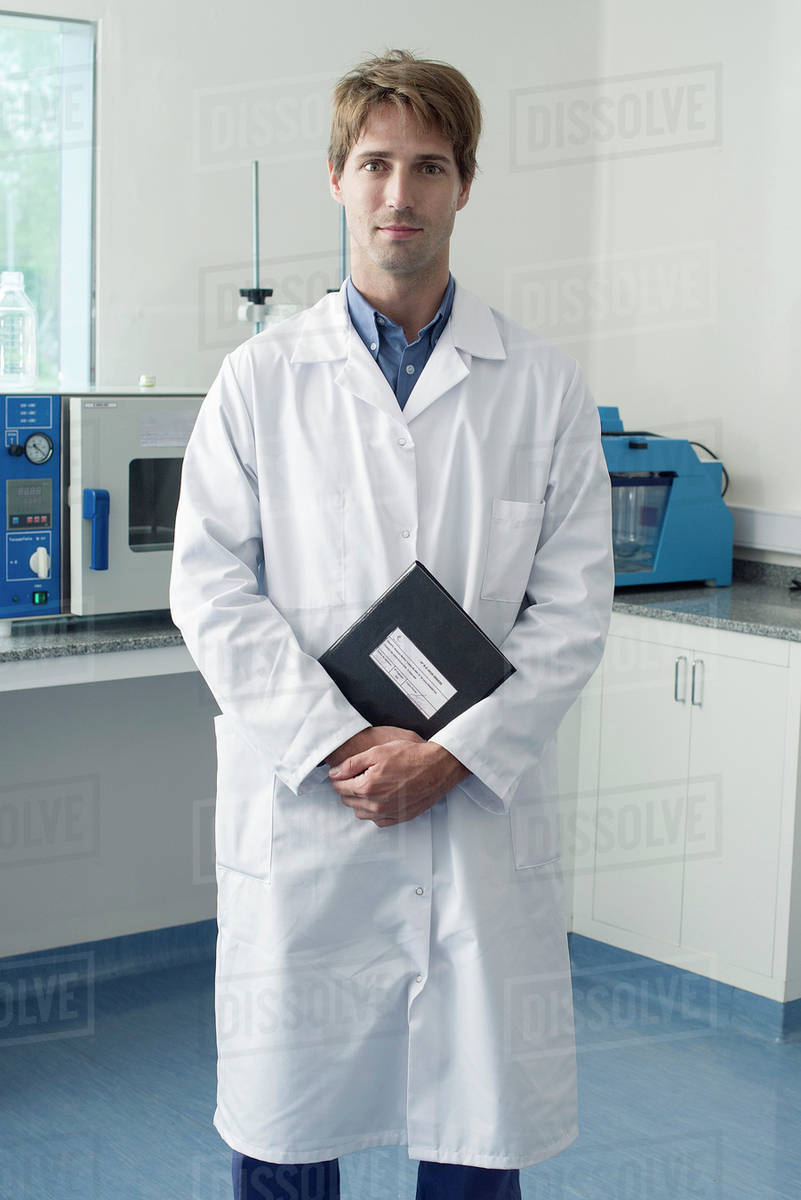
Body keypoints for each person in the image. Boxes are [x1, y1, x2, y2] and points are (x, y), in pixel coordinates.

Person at [170, 48, 613, 1200]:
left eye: (427, 166)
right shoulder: (260, 380)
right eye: (375, 164)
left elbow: (573, 608)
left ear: (465, 183)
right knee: (287, 1129)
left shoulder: (543, 385)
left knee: (473, 1137)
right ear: (336, 179)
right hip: (315, 810)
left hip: (470, 814)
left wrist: (450, 753)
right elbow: (211, 586)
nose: (399, 195)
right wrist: (336, 744)